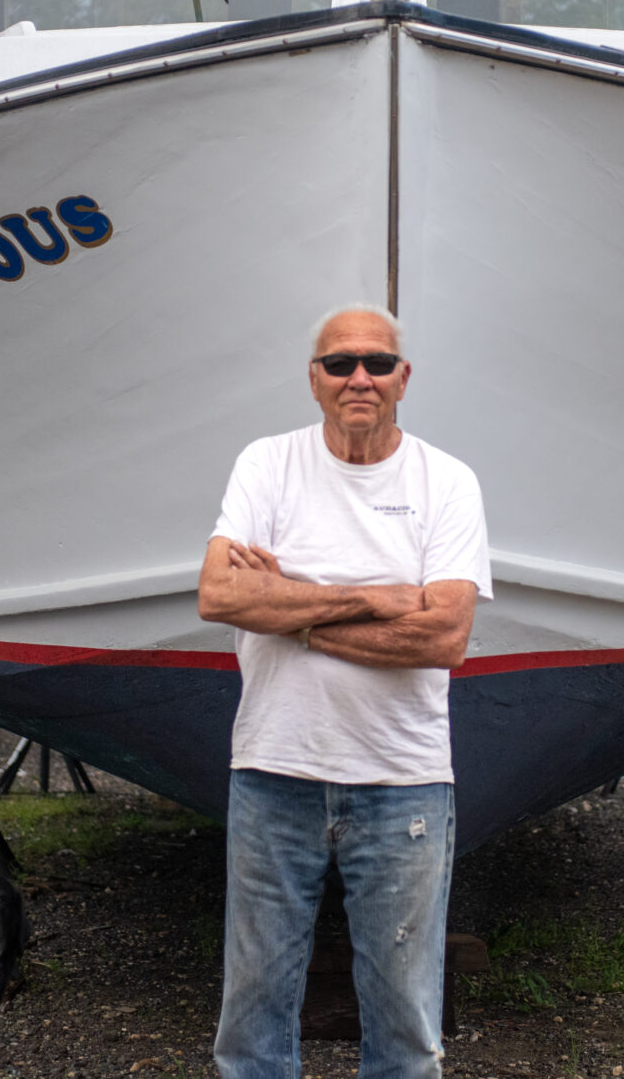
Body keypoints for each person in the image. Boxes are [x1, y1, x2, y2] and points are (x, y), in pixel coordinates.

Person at [198, 304, 492, 1079]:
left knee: (405, 1020)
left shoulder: (448, 481)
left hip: (404, 784)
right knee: (253, 1013)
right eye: (339, 363)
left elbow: (444, 638)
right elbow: (221, 595)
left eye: (375, 362)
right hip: (273, 772)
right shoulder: (267, 464)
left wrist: (292, 610)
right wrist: (385, 596)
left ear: (403, 378)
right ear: (314, 379)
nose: (358, 377)